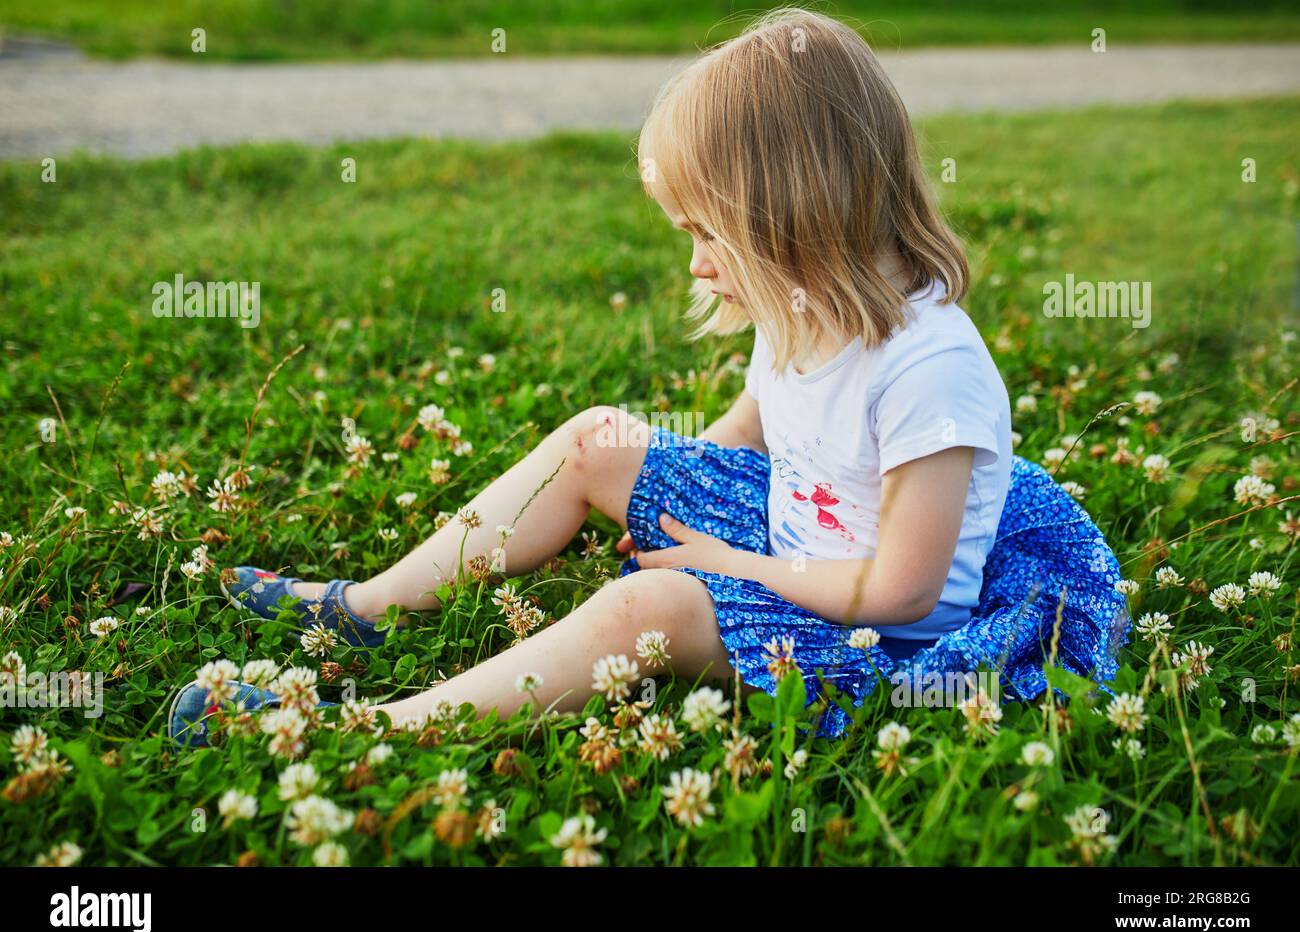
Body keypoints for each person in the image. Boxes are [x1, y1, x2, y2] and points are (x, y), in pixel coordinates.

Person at [170, 8, 1127, 747]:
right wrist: (666, 488)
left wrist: (730, 564)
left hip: (882, 640)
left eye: (710, 234)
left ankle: (369, 732)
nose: (698, 264)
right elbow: (753, 430)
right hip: (798, 542)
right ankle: (366, 612)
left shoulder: (932, 371)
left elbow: (903, 592)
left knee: (648, 608)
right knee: (602, 438)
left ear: (792, 214)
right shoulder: (805, 310)